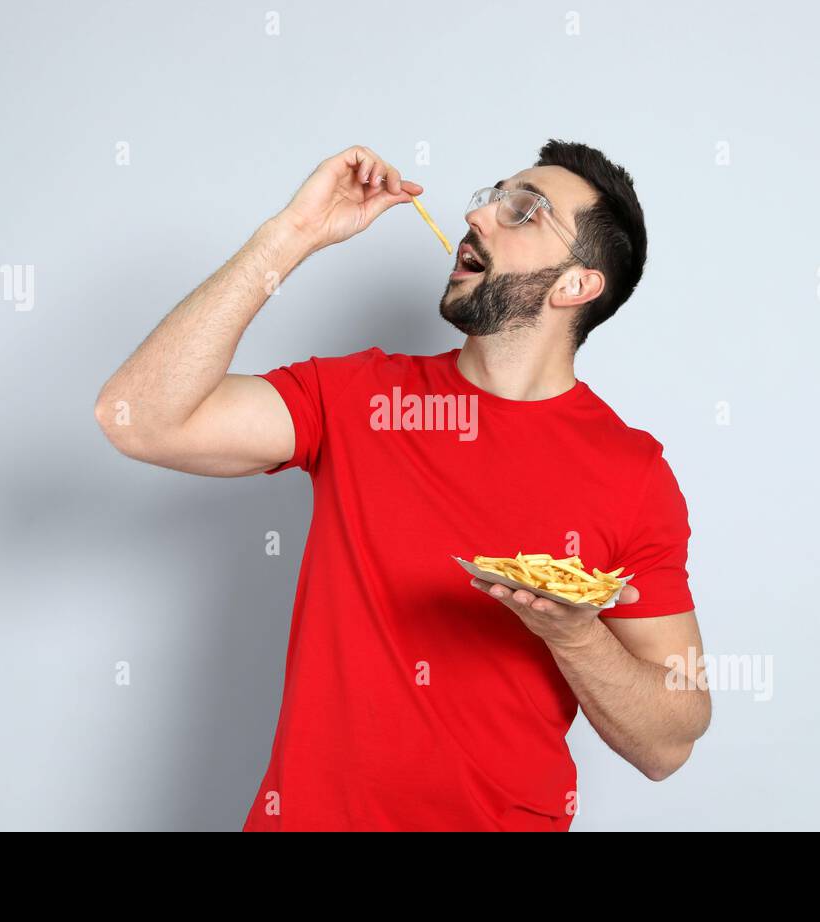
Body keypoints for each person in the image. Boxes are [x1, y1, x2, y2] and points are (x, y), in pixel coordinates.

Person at [94, 141, 711, 831]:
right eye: (493, 194)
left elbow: (670, 738)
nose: (479, 214)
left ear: (576, 285)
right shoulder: (359, 396)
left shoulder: (630, 472)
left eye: (523, 211)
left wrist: (576, 636)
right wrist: (291, 234)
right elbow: (138, 419)